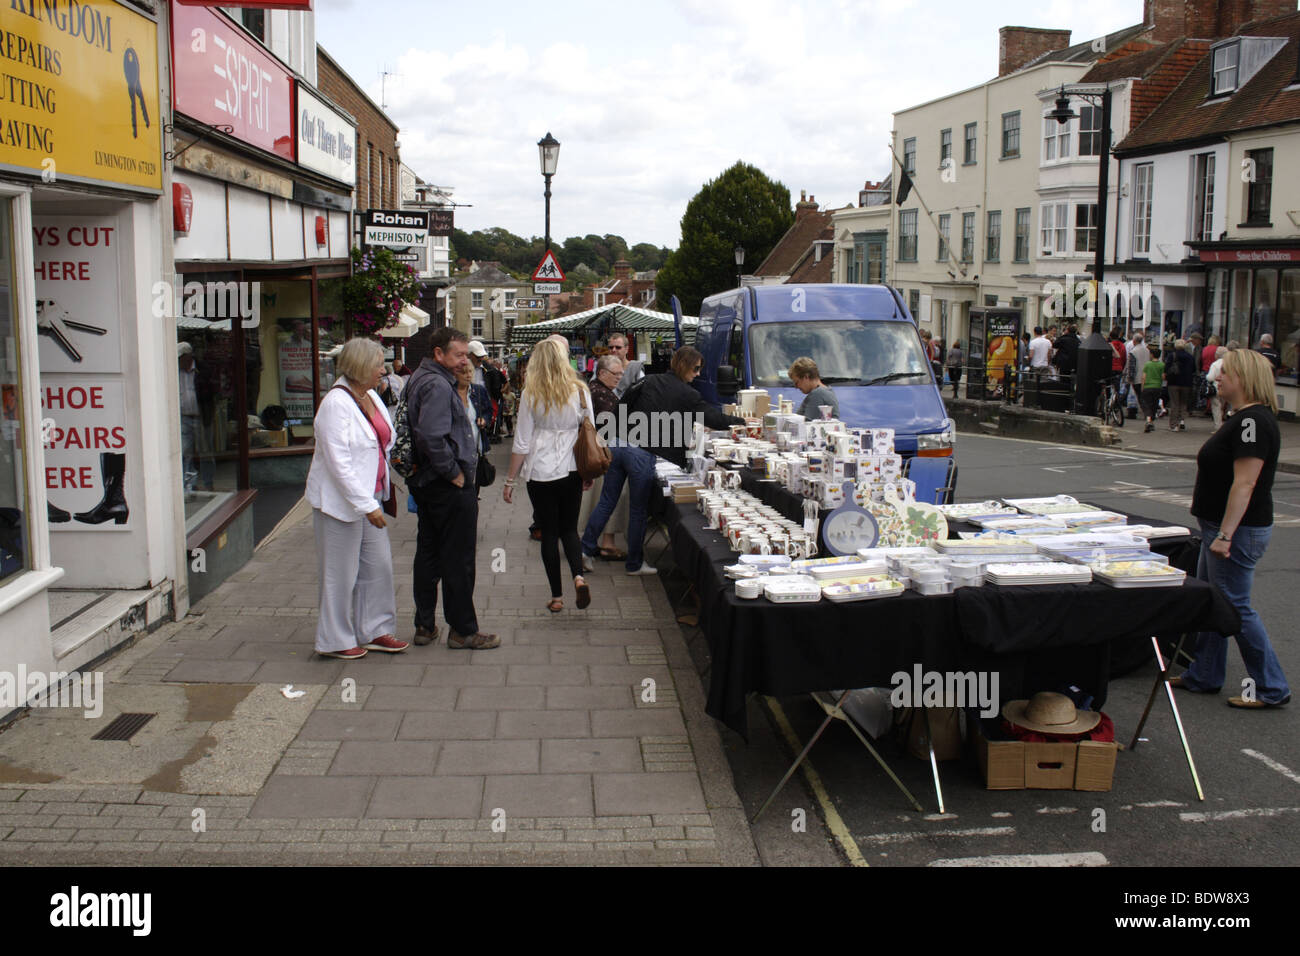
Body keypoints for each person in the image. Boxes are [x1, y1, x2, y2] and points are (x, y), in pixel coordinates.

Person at [1174, 349, 1289, 708]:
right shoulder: (1243, 418)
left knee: (1235, 607)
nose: (1217, 377)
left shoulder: (1253, 423)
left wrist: (1225, 535)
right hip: (1220, 529)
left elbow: (1245, 484)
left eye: (1225, 373)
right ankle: (1204, 673)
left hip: (1236, 531)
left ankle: (1271, 687)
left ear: (1245, 379)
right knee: (1214, 600)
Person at [585, 346, 743, 576]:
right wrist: (744, 422)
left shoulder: (649, 381)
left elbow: (622, 406)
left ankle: (585, 551)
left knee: (607, 501)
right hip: (641, 452)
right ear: (685, 366)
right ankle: (634, 564)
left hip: (619, 445)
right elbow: (714, 419)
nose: (698, 374)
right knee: (638, 510)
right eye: (696, 369)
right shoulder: (688, 394)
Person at [304, 337, 408, 660]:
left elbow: (382, 443)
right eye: (379, 364)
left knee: (378, 567)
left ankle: (375, 629)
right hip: (340, 502)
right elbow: (339, 464)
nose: (384, 369)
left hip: (370, 496)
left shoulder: (372, 396)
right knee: (339, 573)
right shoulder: (335, 404)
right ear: (361, 366)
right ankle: (334, 639)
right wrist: (366, 505)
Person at [406, 327, 497, 649]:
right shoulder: (436, 384)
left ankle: (425, 625)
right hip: (445, 485)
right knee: (458, 559)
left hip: (429, 484)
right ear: (438, 354)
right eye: (458, 354)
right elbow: (431, 436)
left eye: (464, 354)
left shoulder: (424, 377)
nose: (464, 360)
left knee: (429, 554)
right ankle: (462, 630)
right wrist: (454, 473)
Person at [503, 337, 595, 612]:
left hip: (541, 471)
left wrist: (509, 480)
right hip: (571, 468)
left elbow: (521, 442)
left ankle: (557, 597)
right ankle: (578, 577)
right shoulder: (580, 390)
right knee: (570, 529)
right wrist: (587, 470)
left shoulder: (532, 393)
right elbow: (589, 428)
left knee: (550, 532)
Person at [578, 354, 629, 563]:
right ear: (602, 373)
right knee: (608, 500)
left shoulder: (598, 389)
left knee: (603, 500)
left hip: (600, 452)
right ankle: (600, 545)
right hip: (603, 453)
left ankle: (598, 543)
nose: (619, 377)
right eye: (616, 374)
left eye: (621, 374)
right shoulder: (600, 394)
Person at [1166, 339, 1194, 431]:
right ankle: (1182, 420)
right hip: (1187, 383)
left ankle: (1174, 425)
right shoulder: (1190, 357)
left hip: (1173, 382)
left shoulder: (1172, 355)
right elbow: (1194, 369)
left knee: (1175, 403)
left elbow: (1166, 368)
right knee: (1183, 403)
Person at [1139, 344, 1165, 432]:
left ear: (1152, 355)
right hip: (1157, 386)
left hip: (1147, 386)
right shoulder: (1162, 365)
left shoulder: (1147, 364)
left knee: (1147, 404)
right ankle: (1152, 422)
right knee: (1154, 405)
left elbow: (1143, 377)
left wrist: (1142, 387)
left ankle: (1148, 420)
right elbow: (1163, 377)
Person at [1206, 345, 1229, 427]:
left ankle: (1218, 425)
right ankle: (1222, 422)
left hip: (1216, 388)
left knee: (1216, 407)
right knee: (1222, 406)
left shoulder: (1215, 364)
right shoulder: (1229, 363)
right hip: (1227, 387)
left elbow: (1210, 377)